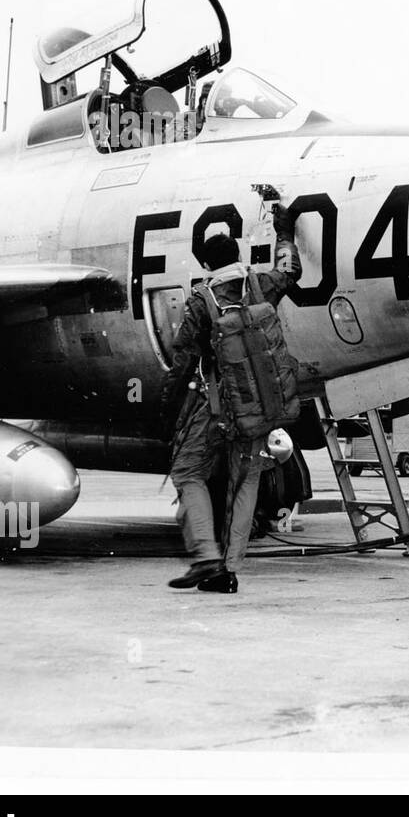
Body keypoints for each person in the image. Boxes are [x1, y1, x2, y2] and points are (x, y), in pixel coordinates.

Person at [160, 205, 302, 593]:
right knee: (246, 482)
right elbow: (291, 271)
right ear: (238, 258)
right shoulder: (262, 285)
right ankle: (229, 569)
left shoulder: (202, 300)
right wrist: (285, 231)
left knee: (188, 472)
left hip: (216, 407)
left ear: (206, 262)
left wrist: (167, 410)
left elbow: (184, 360)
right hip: (260, 406)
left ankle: (206, 557)